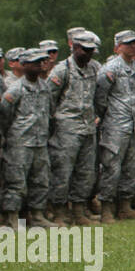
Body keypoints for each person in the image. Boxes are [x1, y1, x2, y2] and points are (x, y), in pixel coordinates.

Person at [47, 30, 102, 226]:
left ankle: (79, 211)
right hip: (66, 129)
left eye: (91, 51)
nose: (88, 54)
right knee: (63, 171)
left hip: (87, 127)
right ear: (75, 48)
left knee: (86, 172)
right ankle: (60, 212)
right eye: (84, 50)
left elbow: (98, 96)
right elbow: (49, 99)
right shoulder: (62, 70)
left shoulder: (94, 68)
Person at [0, 49, 55, 229]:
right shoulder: (15, 89)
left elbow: (50, 113)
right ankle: (12, 218)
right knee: (16, 182)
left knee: (40, 180)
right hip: (20, 143)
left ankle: (37, 216)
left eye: (40, 62)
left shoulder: (44, 87)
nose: (39, 66)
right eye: (34, 63)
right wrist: (13, 135)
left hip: (39, 142)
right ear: (24, 65)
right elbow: (5, 116)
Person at [95, 31, 135, 221]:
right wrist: (105, 117)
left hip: (134, 124)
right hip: (115, 125)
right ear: (118, 47)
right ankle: (107, 208)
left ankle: (125, 206)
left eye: (134, 43)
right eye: (128, 44)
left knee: (133, 167)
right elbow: (101, 98)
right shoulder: (110, 69)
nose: (132, 47)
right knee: (112, 167)